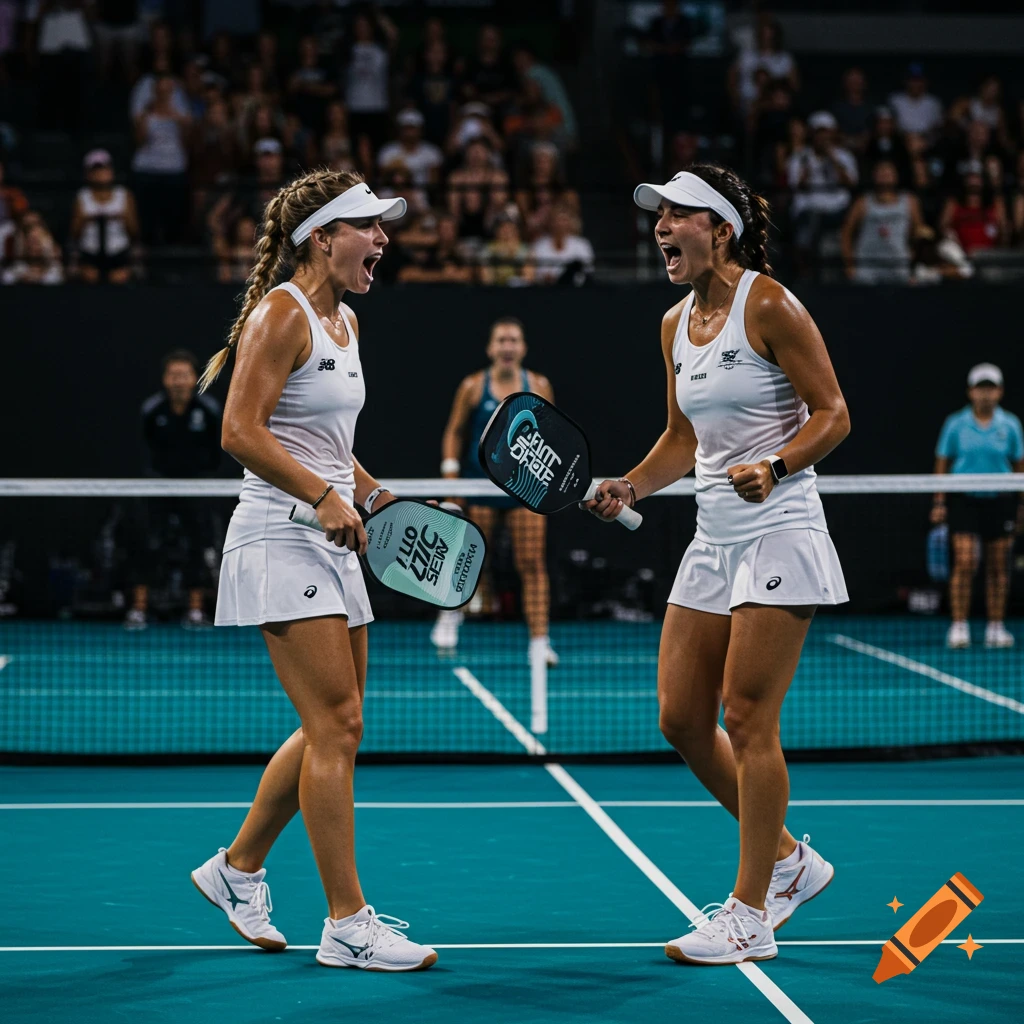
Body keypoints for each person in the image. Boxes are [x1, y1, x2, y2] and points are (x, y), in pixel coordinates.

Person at [588, 165, 850, 964]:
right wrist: (631, 482)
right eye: (657, 218)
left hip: (780, 528)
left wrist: (775, 463)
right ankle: (790, 863)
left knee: (746, 715)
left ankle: (749, 913)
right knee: (679, 717)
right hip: (713, 536)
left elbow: (834, 415)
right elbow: (681, 439)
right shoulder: (672, 325)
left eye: (678, 216)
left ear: (721, 229)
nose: (662, 229)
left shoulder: (767, 303)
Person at [188, 168, 437, 971]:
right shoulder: (280, 315)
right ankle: (347, 924)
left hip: (330, 538)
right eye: (368, 228)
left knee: (341, 721)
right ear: (323, 237)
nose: (382, 241)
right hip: (279, 534)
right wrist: (326, 497)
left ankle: (236, 869)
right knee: (336, 726)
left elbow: (326, 443)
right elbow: (240, 430)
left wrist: (370, 491)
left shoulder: (347, 324)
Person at [433, 317, 557, 667]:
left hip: (524, 489)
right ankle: (450, 616)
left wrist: (547, 483)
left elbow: (550, 437)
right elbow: (454, 432)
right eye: (501, 340)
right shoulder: (473, 386)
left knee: (532, 562)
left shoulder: (539, 385)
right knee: (468, 558)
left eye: (513, 340)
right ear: (491, 348)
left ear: (522, 348)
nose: (507, 346)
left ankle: (539, 642)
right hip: (479, 485)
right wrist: (451, 477)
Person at [124, 350, 224, 630]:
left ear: (194, 379)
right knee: (147, 544)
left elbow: (217, 454)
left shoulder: (208, 412)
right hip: (157, 488)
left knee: (198, 545)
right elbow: (143, 450)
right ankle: (139, 610)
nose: (179, 381)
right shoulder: (152, 411)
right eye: (173, 375)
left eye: (184, 375)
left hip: (196, 490)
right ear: (165, 380)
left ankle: (194, 611)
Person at [932, 363, 1024, 649]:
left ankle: (995, 627)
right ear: (971, 392)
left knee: (999, 566)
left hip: (1001, 500)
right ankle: (959, 625)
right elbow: (942, 463)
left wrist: (1021, 504)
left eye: (991, 387)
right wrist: (939, 500)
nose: (985, 393)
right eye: (980, 388)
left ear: (1000, 392)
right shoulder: (955, 424)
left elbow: (1019, 465)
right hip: (963, 500)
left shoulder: (1010, 425)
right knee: (965, 561)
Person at [840, 159, 922, 284]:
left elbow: (919, 230)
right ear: (874, 176)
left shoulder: (910, 201)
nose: (884, 174)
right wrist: (849, 265)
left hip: (898, 265)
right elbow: (846, 232)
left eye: (888, 171)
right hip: (867, 266)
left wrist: (914, 256)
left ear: (896, 176)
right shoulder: (862, 202)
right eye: (880, 171)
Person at [70, 149, 139, 284]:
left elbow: (135, 230)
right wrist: (86, 219)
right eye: (96, 170)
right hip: (90, 253)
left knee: (119, 278)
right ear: (88, 174)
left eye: (104, 168)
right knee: (90, 276)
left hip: (118, 252)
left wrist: (123, 217)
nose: (101, 173)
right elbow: (74, 232)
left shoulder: (124, 195)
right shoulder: (82, 196)